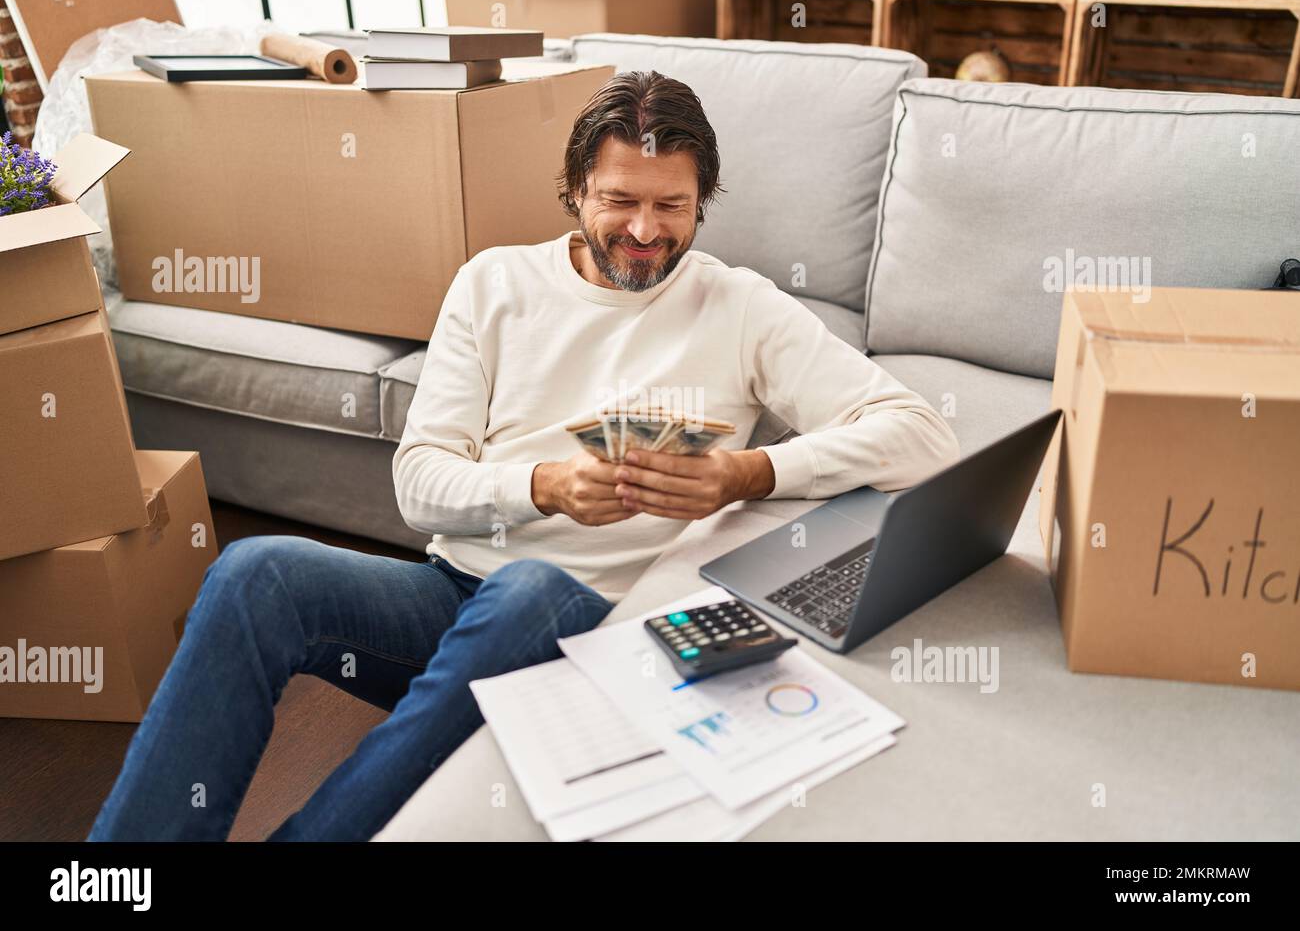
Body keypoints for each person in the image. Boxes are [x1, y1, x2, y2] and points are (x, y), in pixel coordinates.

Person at [89, 70, 958, 842]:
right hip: (452, 595)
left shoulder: (740, 307)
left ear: (704, 202)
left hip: (610, 628)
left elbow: (922, 434)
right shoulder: (494, 284)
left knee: (533, 589)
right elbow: (420, 483)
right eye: (621, 200)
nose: (647, 232)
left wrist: (748, 473)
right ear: (577, 189)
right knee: (255, 572)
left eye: (673, 206)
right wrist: (541, 486)